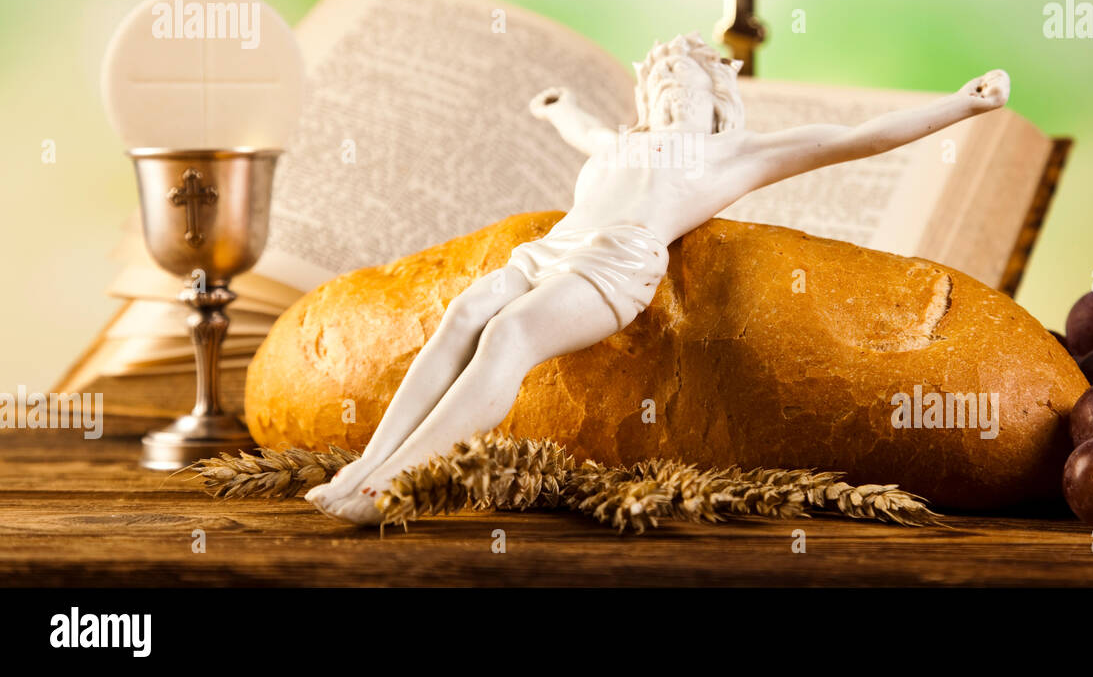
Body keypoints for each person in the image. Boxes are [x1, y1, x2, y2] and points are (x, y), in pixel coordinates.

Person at [307, 32, 1009, 523]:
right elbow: (587, 136)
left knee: (510, 336)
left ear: (717, 96)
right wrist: (562, 112)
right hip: (552, 249)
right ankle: (367, 464)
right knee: (463, 314)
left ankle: (393, 486)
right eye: (658, 82)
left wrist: (962, 103)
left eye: (684, 82)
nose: (668, 92)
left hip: (615, 264)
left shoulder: (732, 153)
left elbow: (853, 138)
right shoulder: (627, 143)